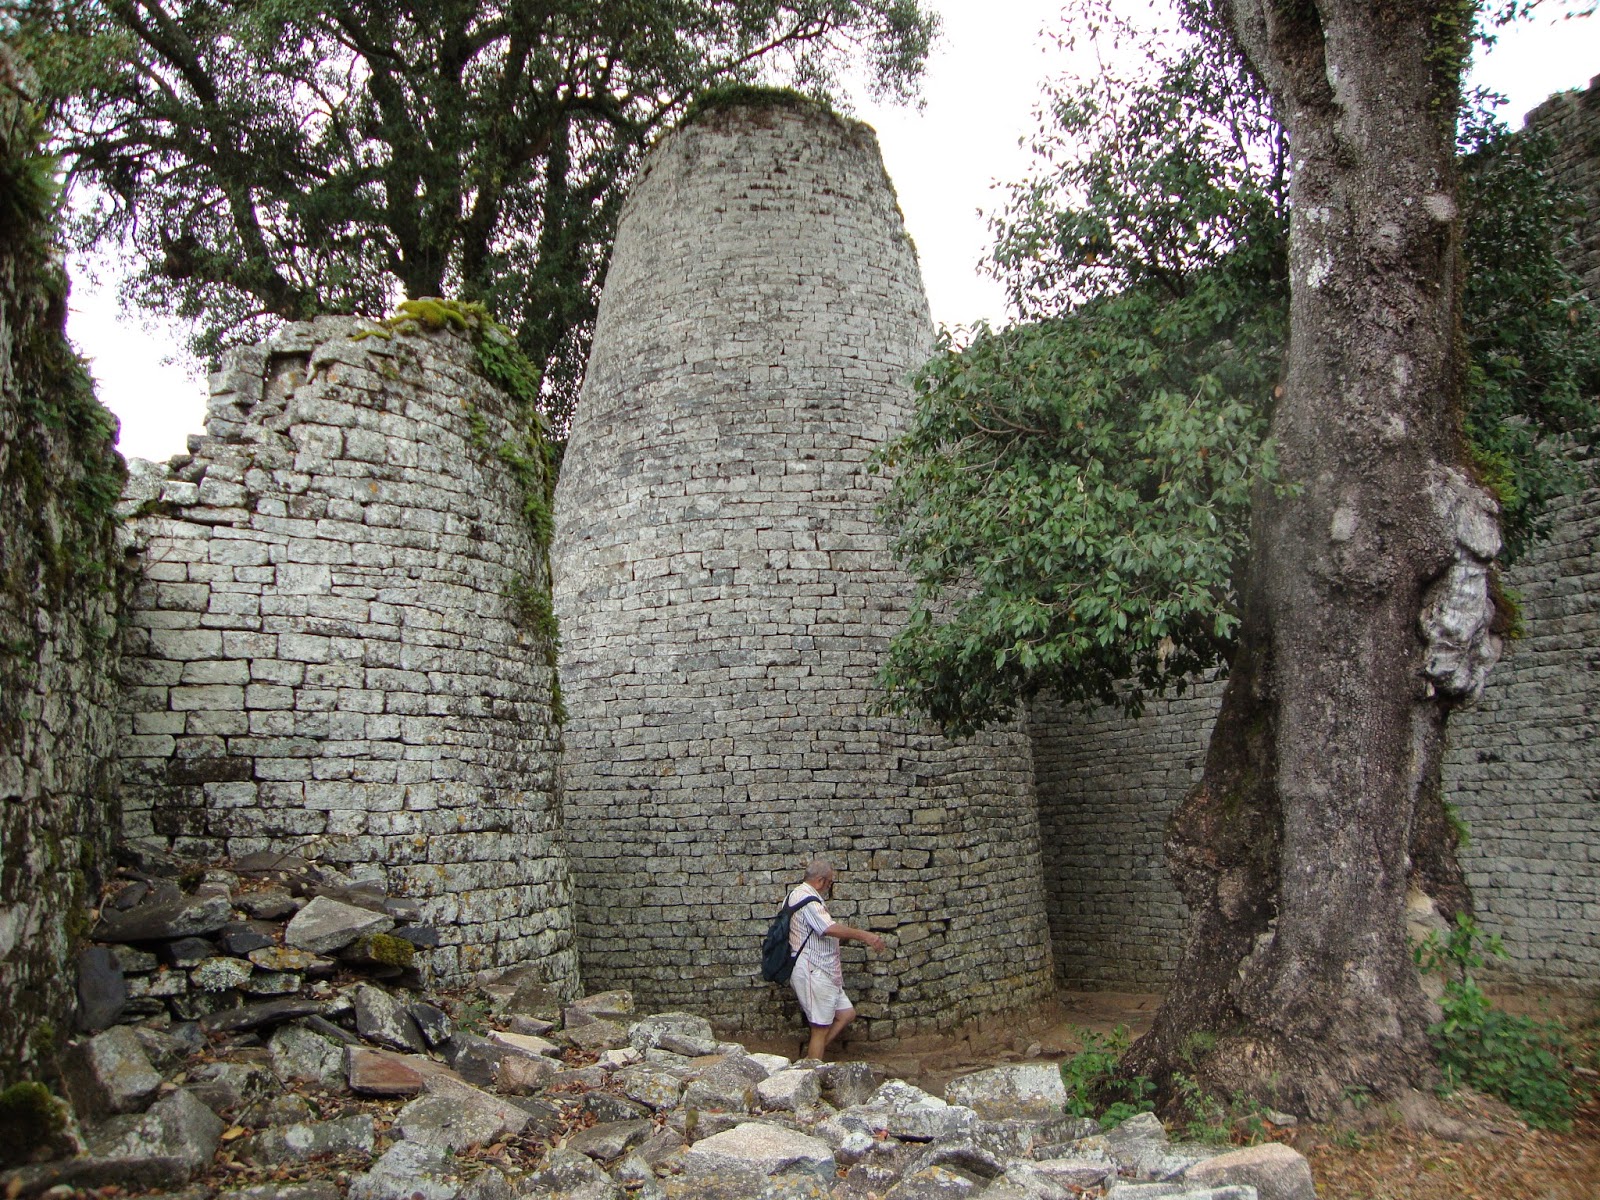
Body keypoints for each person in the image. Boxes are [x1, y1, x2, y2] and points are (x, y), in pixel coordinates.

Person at [787, 858, 886, 1061]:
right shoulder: (807, 900)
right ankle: (809, 1072)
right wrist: (865, 935)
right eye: (830, 883)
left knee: (846, 1014)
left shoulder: (797, 895)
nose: (829, 887)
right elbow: (828, 928)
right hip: (813, 970)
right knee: (819, 1028)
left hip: (824, 971)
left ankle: (809, 1059)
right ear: (821, 880)